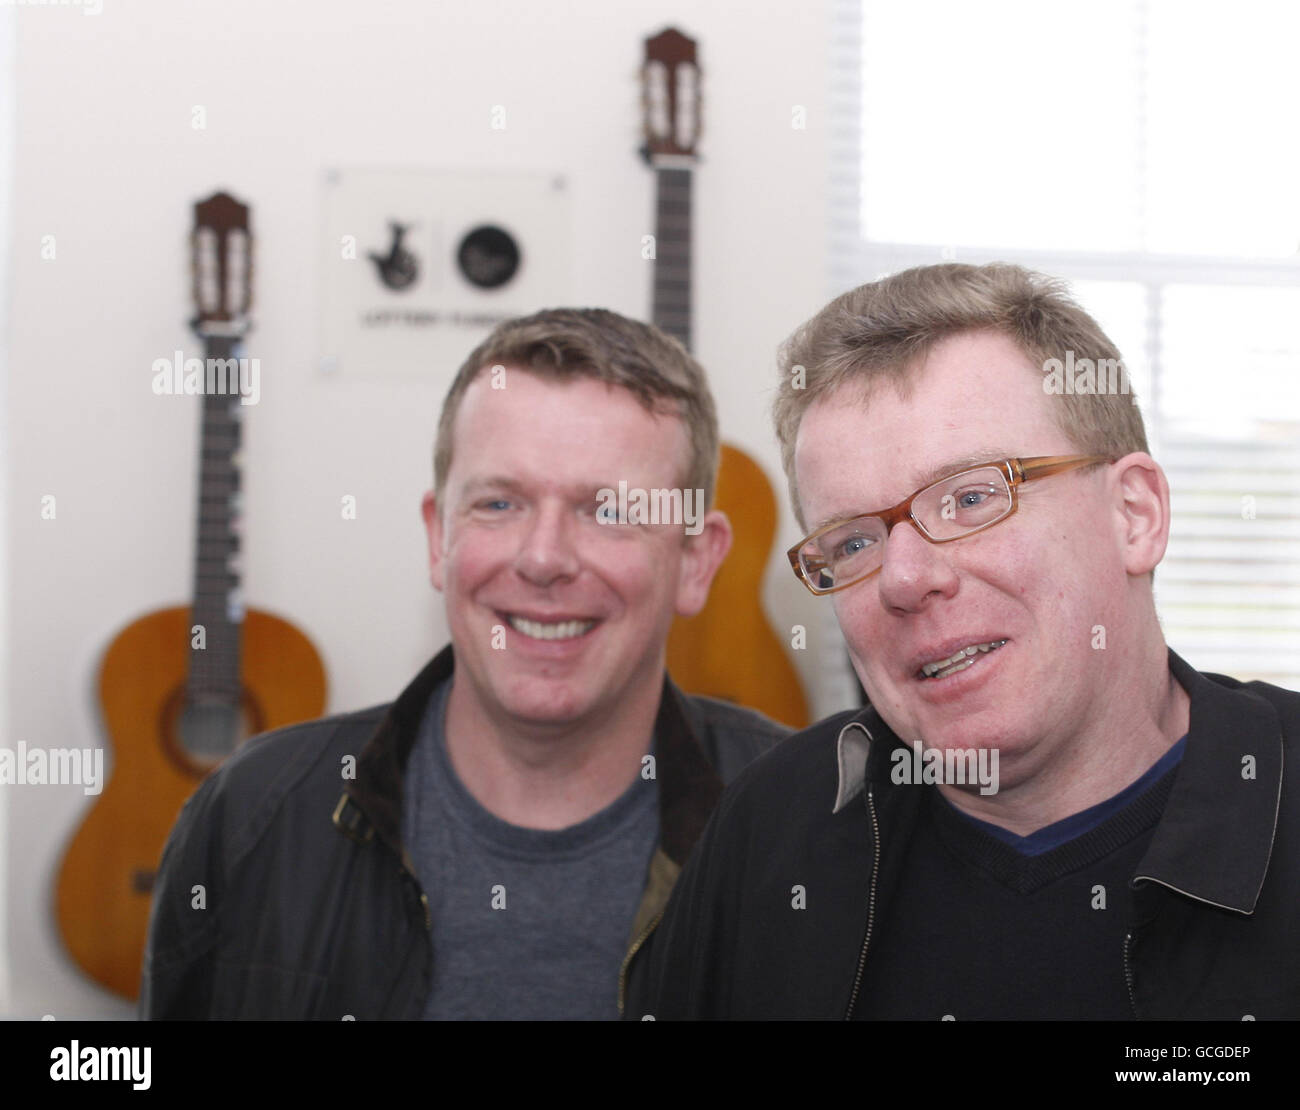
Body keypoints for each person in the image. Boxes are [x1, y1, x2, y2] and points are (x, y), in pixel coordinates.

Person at [644, 263, 1300, 1020]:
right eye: (853, 543)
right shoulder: (767, 831)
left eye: (971, 497)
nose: (904, 578)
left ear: (1134, 515)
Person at [140, 307, 788, 1019]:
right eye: (500, 502)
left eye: (606, 511)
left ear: (696, 561)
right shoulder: (251, 817)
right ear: (438, 537)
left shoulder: (807, 829)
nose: (544, 558)